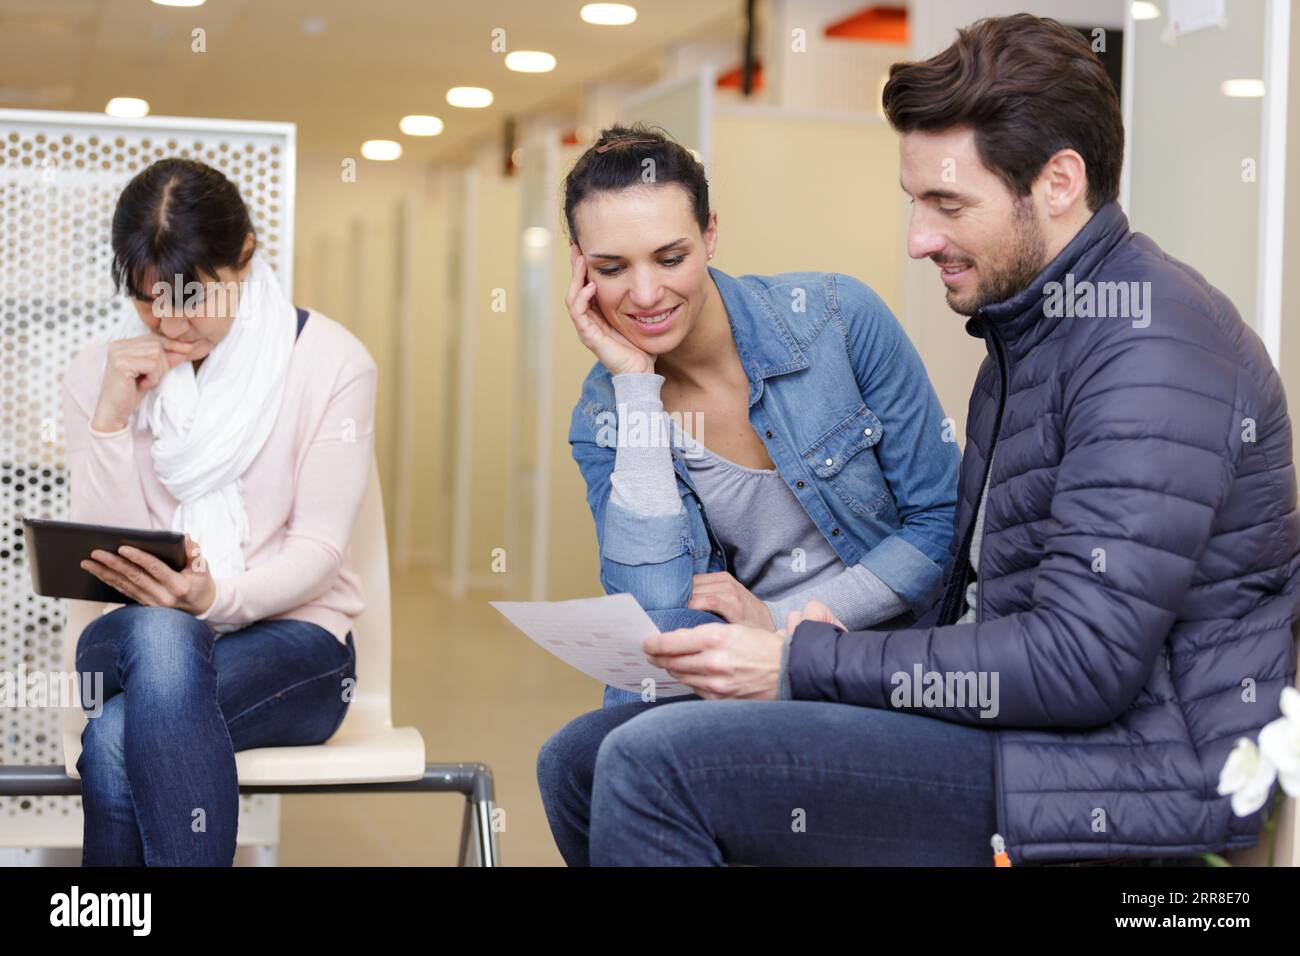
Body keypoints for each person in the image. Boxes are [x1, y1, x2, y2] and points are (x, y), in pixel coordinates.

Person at [541, 16, 1299, 866]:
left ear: (1057, 183)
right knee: (578, 759)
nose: (918, 239)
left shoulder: (1151, 345)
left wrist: (804, 659)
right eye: (915, 203)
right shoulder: (1036, 333)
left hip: (1120, 772)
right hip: (1023, 732)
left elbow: (1083, 660)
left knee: (654, 766)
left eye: (946, 204)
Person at [537, 124, 960, 862]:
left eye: (671, 257)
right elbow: (656, 606)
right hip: (733, 673)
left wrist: (779, 624)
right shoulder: (605, 413)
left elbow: (939, 522)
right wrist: (636, 389)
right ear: (579, 270)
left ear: (710, 234)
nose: (645, 294)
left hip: (877, 659)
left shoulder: (837, 322)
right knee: (570, 761)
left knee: (638, 761)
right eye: (611, 268)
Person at [62, 157, 376, 866]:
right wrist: (113, 418)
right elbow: (101, 561)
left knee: (117, 734)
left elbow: (320, 549)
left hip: (298, 647)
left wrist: (215, 597)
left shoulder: (331, 362)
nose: (168, 322)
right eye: (147, 298)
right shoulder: (100, 373)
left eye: (190, 296)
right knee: (163, 636)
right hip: (130, 638)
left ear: (243, 259)